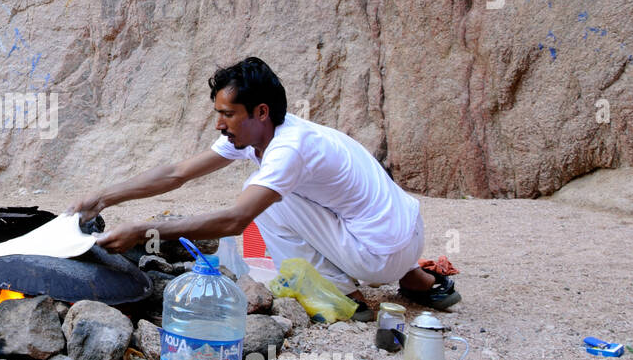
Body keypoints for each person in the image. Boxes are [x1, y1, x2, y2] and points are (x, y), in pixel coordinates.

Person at [68, 57, 460, 312]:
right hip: (408, 235)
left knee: (264, 198)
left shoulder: (288, 151)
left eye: (227, 115)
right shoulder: (270, 134)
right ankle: (416, 280)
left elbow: (236, 221)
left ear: (261, 112)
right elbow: (178, 174)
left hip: (378, 257)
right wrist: (102, 197)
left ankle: (346, 297)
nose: (220, 125)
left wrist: (143, 231)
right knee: (310, 197)